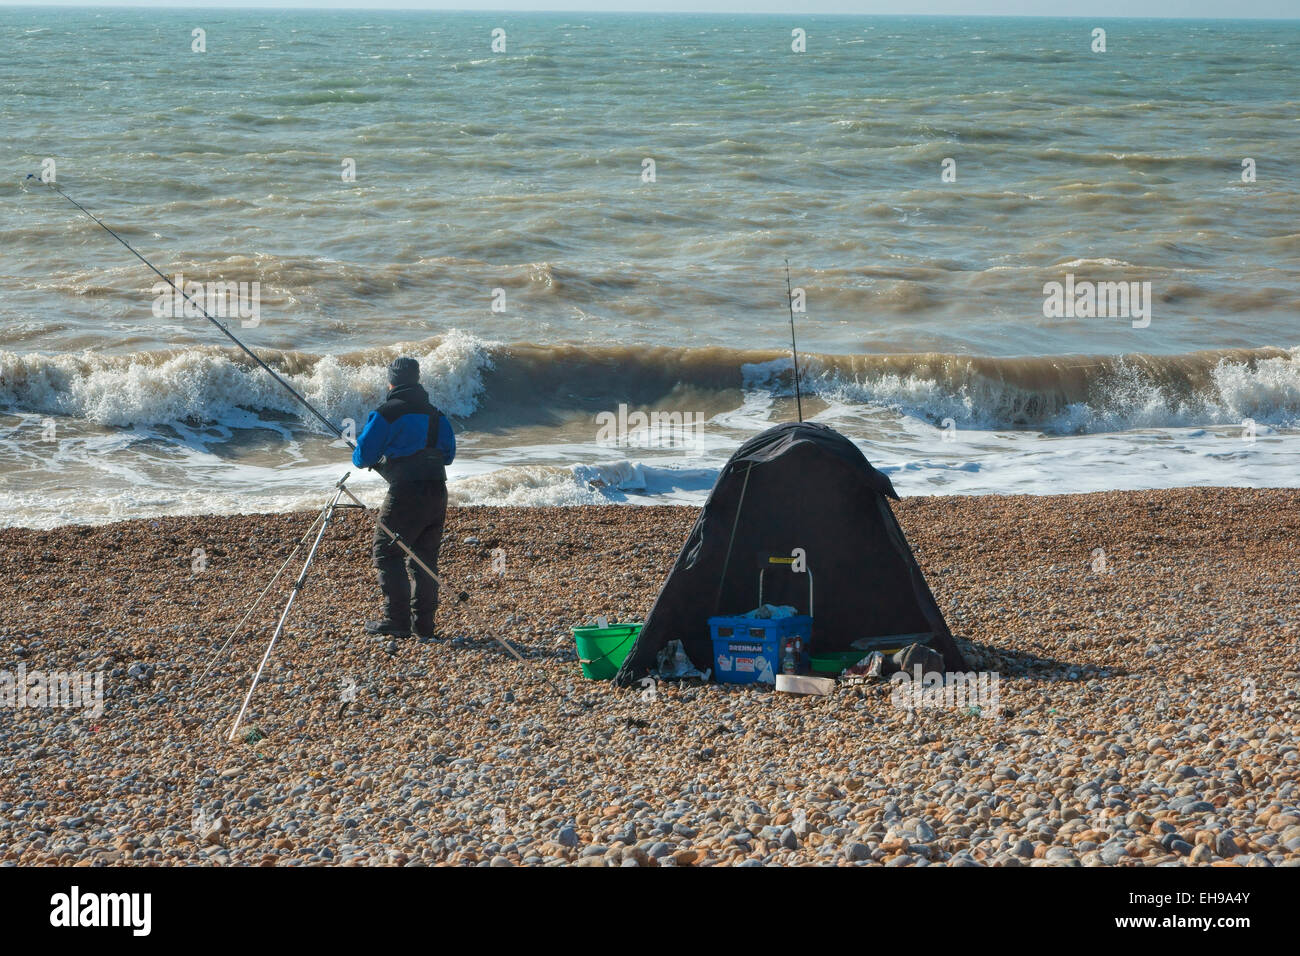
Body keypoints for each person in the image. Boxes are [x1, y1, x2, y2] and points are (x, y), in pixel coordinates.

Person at [352, 357, 455, 640]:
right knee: (425, 558)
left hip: (407, 491)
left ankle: (396, 620)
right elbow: (448, 454)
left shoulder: (386, 413)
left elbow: (362, 457)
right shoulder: (437, 415)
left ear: (391, 381)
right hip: (437, 489)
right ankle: (424, 626)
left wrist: (383, 458)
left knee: (387, 552)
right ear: (417, 380)